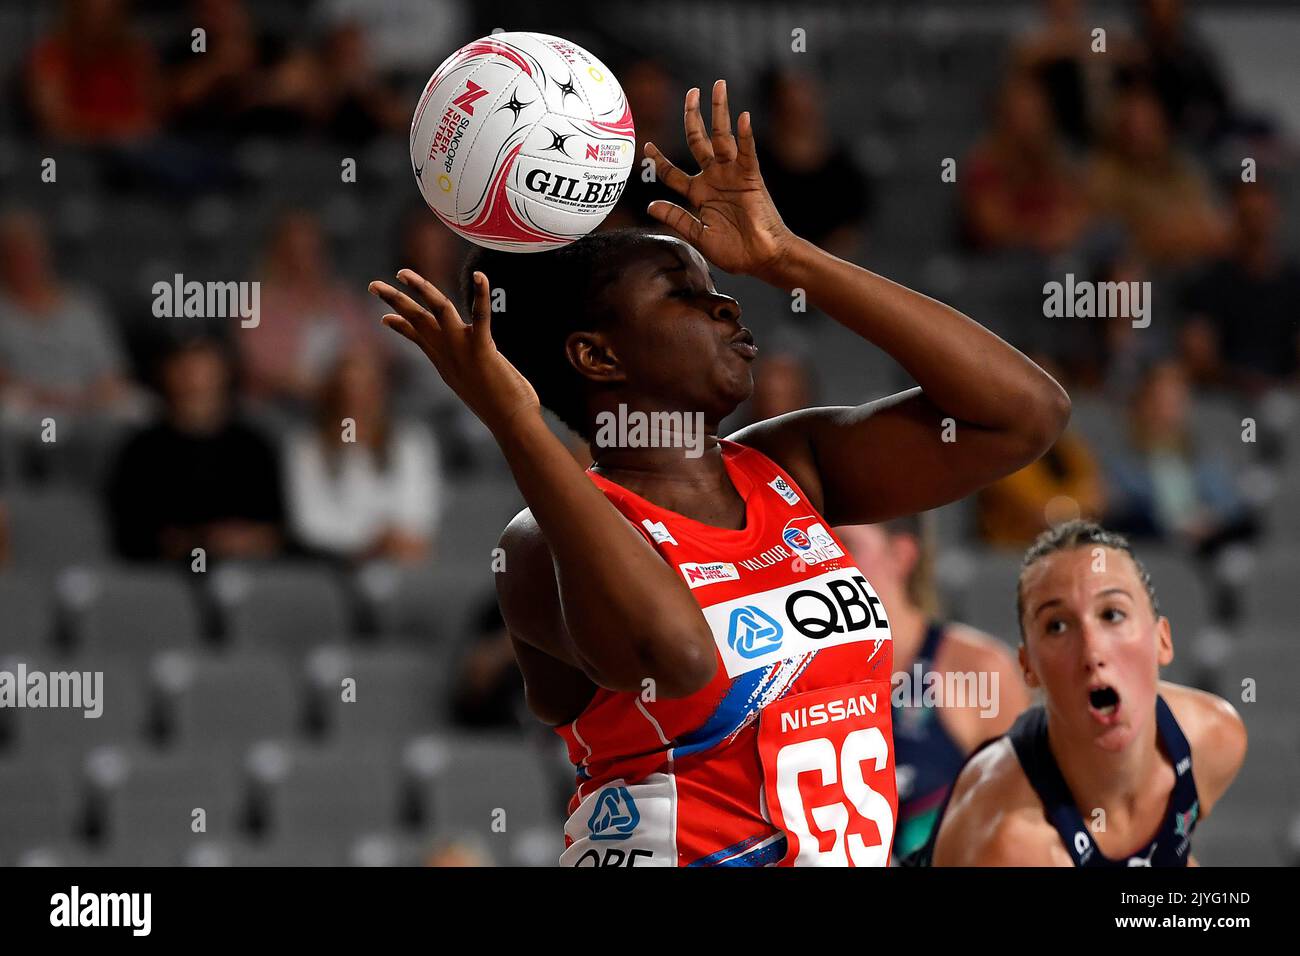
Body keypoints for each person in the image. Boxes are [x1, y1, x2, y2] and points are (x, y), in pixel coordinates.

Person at [368, 80, 1070, 867]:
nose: (729, 309)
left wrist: (788, 256)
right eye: (685, 295)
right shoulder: (538, 547)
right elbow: (680, 657)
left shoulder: (789, 469)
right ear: (598, 355)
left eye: (722, 290)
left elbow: (1024, 414)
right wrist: (515, 423)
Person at [919, 520, 1246, 866]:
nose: (1092, 652)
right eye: (1057, 626)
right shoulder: (1011, 842)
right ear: (1028, 667)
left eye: (1112, 614)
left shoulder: (1214, 739)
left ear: (1162, 640)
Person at [836, 519, 1031, 860]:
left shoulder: (975, 668)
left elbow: (1022, 822)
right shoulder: (795, 670)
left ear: (901, 555)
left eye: (847, 546)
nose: (827, 564)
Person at [107, 338, 284, 561]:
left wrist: (243, 541)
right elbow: (132, 534)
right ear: (165, 375)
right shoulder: (142, 450)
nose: (194, 381)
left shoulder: (254, 446)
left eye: (204, 371)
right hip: (166, 575)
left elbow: (278, 530)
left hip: (251, 572)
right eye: (184, 370)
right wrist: (198, 542)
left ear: (224, 374)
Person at [284, 347, 441, 564]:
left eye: (367, 390)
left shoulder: (411, 442)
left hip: (402, 560)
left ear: (382, 393)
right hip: (331, 565)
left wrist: (391, 538)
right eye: (347, 391)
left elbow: (420, 510)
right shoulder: (306, 447)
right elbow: (309, 522)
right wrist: (368, 541)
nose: (357, 402)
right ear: (331, 396)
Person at [1103, 359, 1253, 557]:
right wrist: (1173, 526)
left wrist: (1210, 521)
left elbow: (1230, 504)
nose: (1168, 411)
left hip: (1210, 547)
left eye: (1177, 402)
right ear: (1143, 404)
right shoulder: (1122, 462)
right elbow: (1125, 508)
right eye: (1161, 401)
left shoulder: (1206, 457)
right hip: (1154, 548)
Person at [1180, 181, 1300, 395]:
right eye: (1247, 216)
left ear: (1275, 216)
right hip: (1223, 397)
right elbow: (1198, 356)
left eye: (1261, 216)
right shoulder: (1208, 283)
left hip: (1286, 397)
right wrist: (1244, 383)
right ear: (1233, 219)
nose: (1255, 226)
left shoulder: (1294, 282)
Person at [961, 70, 1092, 255]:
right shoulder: (984, 163)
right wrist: (1039, 234)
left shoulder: (1054, 159)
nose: (1030, 122)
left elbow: (1080, 210)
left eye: (1035, 112)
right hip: (1004, 262)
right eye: (1021, 114)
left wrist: (1067, 228)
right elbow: (991, 227)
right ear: (1004, 117)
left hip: (1058, 257)